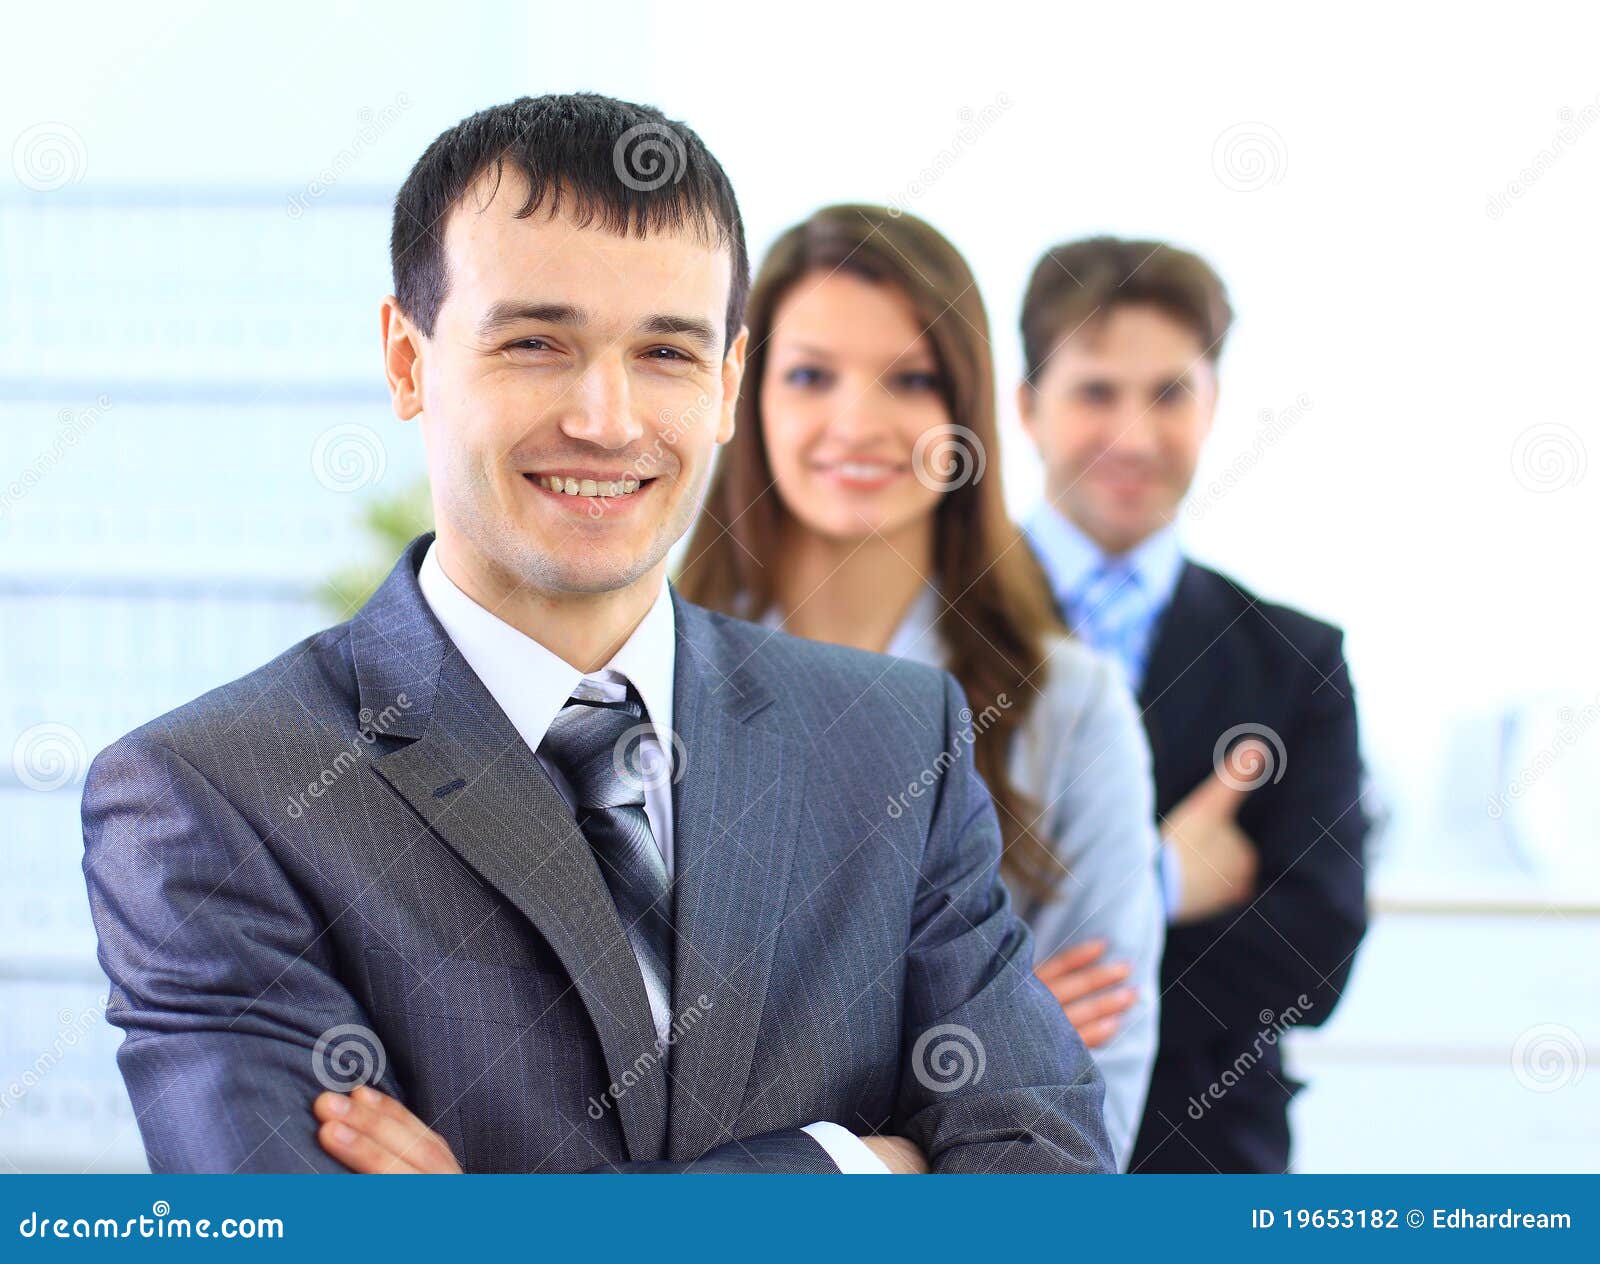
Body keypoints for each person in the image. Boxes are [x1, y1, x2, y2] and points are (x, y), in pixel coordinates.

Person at [78, 94, 1114, 1176]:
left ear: (725, 384)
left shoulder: (893, 740)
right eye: (535, 341)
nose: (606, 419)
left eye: (666, 352)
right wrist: (848, 1170)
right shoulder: (212, 796)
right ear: (406, 359)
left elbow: (1044, 1177)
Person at [677, 205, 1163, 1170]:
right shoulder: (641, 673)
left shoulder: (1072, 708)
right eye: (811, 375)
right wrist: (956, 1077)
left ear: (966, 414)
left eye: (910, 379)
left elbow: (1071, 1139)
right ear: (743, 395)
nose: (858, 422)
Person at [1015, 235, 1369, 1173]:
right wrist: (1159, 884)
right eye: (1096, 392)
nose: (1133, 436)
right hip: (968, 1146)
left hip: (1212, 1157)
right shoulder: (927, 627)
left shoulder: (1297, 661)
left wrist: (1041, 967)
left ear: (1213, 406)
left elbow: (1319, 950)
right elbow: (875, 928)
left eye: (1169, 393)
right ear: (1027, 408)